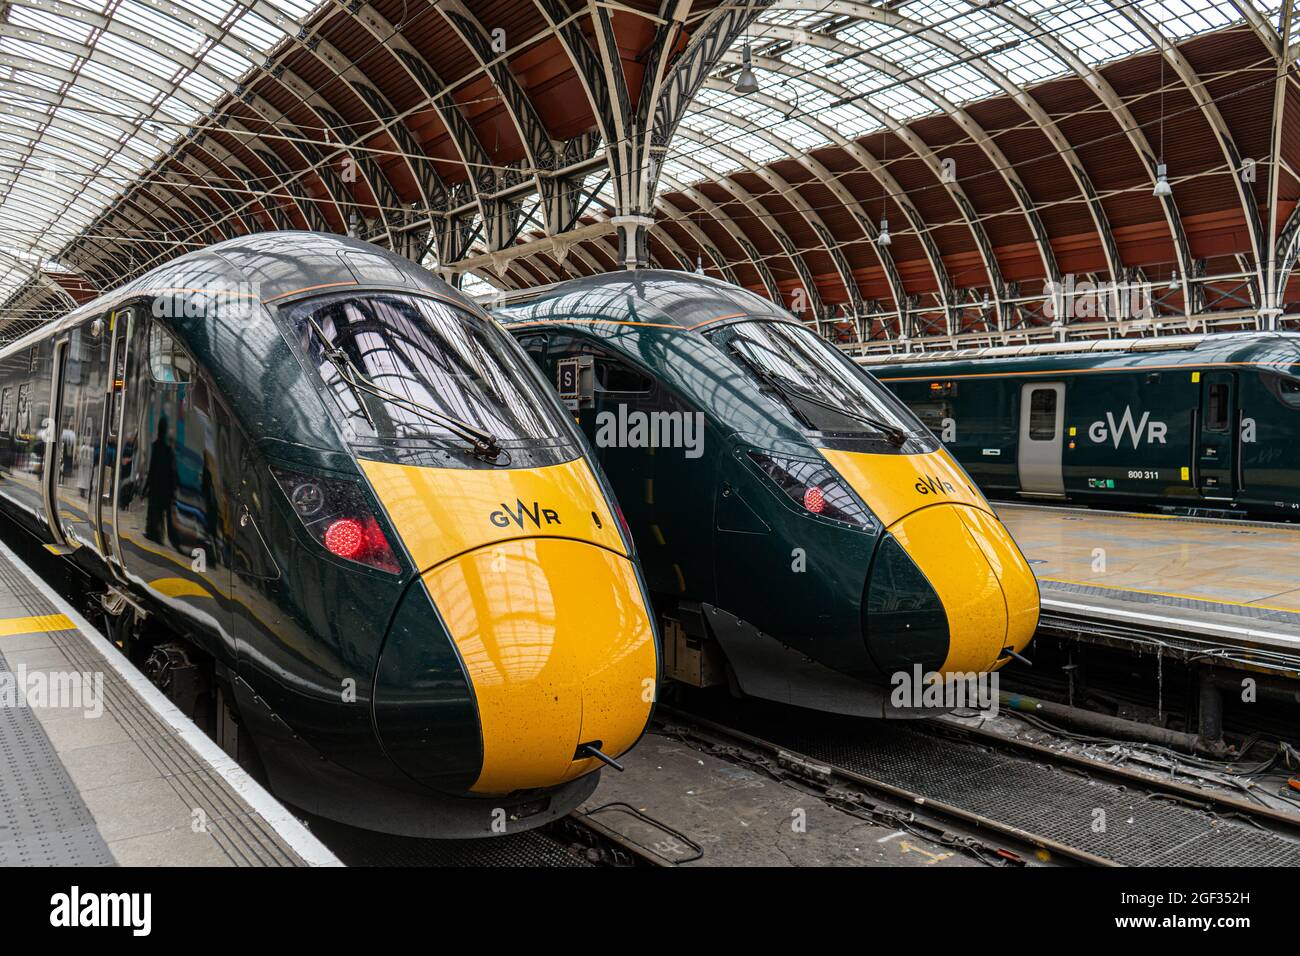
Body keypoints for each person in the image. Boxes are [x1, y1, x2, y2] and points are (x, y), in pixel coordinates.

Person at [142, 416, 178, 546]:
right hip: (165, 487)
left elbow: (152, 469)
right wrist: (173, 488)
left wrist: (145, 487)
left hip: (156, 486)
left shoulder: (156, 446)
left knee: (153, 511)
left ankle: (153, 533)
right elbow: (172, 471)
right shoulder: (169, 449)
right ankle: (160, 535)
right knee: (162, 512)